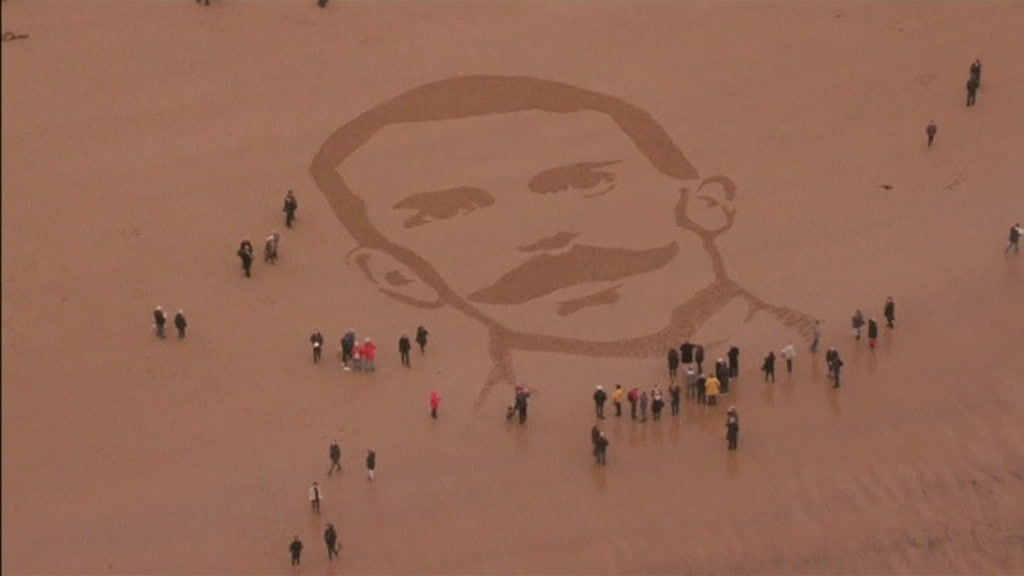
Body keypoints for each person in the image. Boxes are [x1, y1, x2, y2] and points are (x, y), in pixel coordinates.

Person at [311, 75, 817, 401]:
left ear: (706, 202)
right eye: (447, 214)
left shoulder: (810, 352)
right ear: (397, 275)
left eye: (581, 181)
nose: (543, 236)